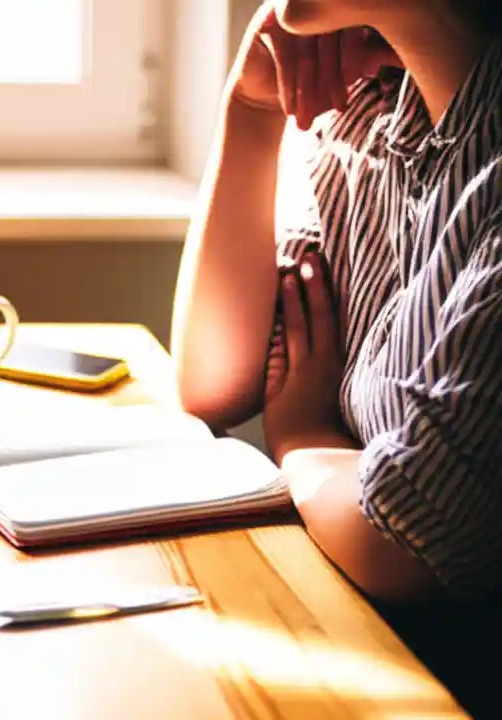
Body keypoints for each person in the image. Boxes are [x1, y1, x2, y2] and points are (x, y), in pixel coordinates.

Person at [171, 0, 501, 710]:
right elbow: (214, 382)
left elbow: (410, 545)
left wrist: (302, 436)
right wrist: (252, 108)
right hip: (358, 641)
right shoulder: (374, 104)